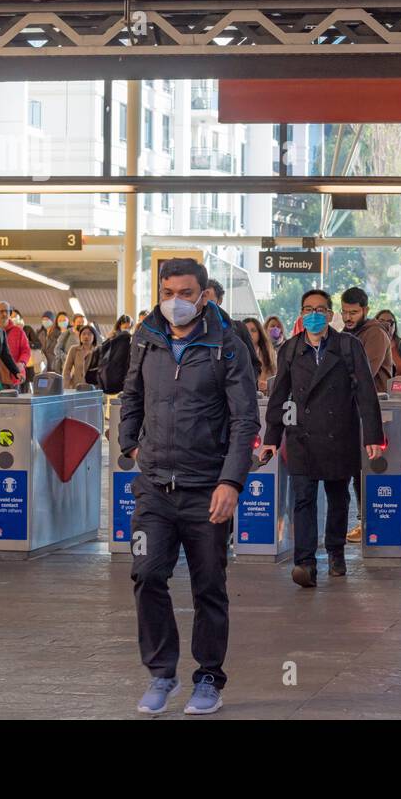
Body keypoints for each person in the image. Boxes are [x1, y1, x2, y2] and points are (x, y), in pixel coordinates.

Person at [120, 257, 259, 716]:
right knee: (146, 574)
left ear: (203, 295)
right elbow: (132, 394)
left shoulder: (228, 345)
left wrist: (231, 481)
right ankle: (162, 673)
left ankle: (207, 679)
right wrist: (130, 444)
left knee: (208, 586)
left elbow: (244, 420)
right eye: (167, 292)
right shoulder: (147, 336)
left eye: (184, 293)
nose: (174, 302)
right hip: (154, 486)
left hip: (206, 489)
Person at [260, 289, 384, 587]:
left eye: (320, 310)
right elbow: (280, 396)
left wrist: (373, 435)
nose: (314, 315)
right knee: (303, 499)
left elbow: (366, 391)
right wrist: (271, 438)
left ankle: (335, 552)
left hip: (340, 432)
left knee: (337, 497)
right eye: (308, 309)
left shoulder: (347, 345)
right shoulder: (290, 349)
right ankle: (304, 563)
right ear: (301, 315)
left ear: (330, 315)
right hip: (301, 435)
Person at [340, 286, 397, 543]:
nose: (348, 317)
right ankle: (363, 521)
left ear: (365, 310)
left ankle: (369, 522)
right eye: (344, 312)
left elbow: (364, 373)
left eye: (353, 312)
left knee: (368, 471)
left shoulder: (374, 334)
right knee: (355, 470)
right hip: (350, 409)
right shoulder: (346, 334)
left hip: (374, 410)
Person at [94, 316, 134, 395]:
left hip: (111, 374)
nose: (126, 330)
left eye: (129, 327)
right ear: (119, 325)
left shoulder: (128, 338)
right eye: (125, 327)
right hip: (116, 373)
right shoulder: (114, 338)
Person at [0, 301, 31, 388]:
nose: (4, 314)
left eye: (6, 311)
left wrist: (22, 363)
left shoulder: (19, 332)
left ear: (10, 313)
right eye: (1, 311)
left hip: (13, 377)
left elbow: (26, 351)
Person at [242, 317, 277, 392]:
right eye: (246, 331)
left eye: (253, 330)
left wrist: (267, 385)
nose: (249, 333)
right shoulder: (234, 355)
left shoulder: (271, 354)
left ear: (260, 333)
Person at [63, 324, 100, 389]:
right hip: (76, 387)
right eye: (83, 334)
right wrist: (66, 386)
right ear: (80, 336)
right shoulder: (74, 349)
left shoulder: (98, 351)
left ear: (94, 337)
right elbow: (67, 370)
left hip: (93, 388)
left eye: (89, 334)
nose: (86, 336)